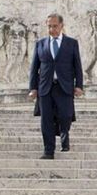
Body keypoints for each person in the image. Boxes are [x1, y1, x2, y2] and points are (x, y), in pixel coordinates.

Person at [28, 13, 84, 159]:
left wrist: (79, 85)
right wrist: (33, 88)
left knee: (65, 116)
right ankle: (48, 151)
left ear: (61, 26)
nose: (52, 29)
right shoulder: (40, 44)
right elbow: (34, 68)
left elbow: (77, 66)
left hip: (64, 87)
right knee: (46, 119)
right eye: (49, 26)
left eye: (55, 26)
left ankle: (64, 134)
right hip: (45, 88)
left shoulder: (71, 43)